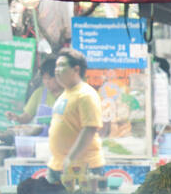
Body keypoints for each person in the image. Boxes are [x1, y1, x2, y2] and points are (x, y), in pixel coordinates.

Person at [47, 50, 104, 182]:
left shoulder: (86, 94)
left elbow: (90, 128)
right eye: (56, 66)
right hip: (57, 166)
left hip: (81, 167)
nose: (56, 70)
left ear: (76, 69)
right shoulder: (65, 94)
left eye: (61, 65)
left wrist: (70, 159)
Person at [6, 56, 59, 131]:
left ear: (59, 76)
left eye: (49, 78)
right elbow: (26, 117)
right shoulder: (39, 93)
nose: (46, 82)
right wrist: (17, 118)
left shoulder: (68, 94)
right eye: (44, 78)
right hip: (41, 140)